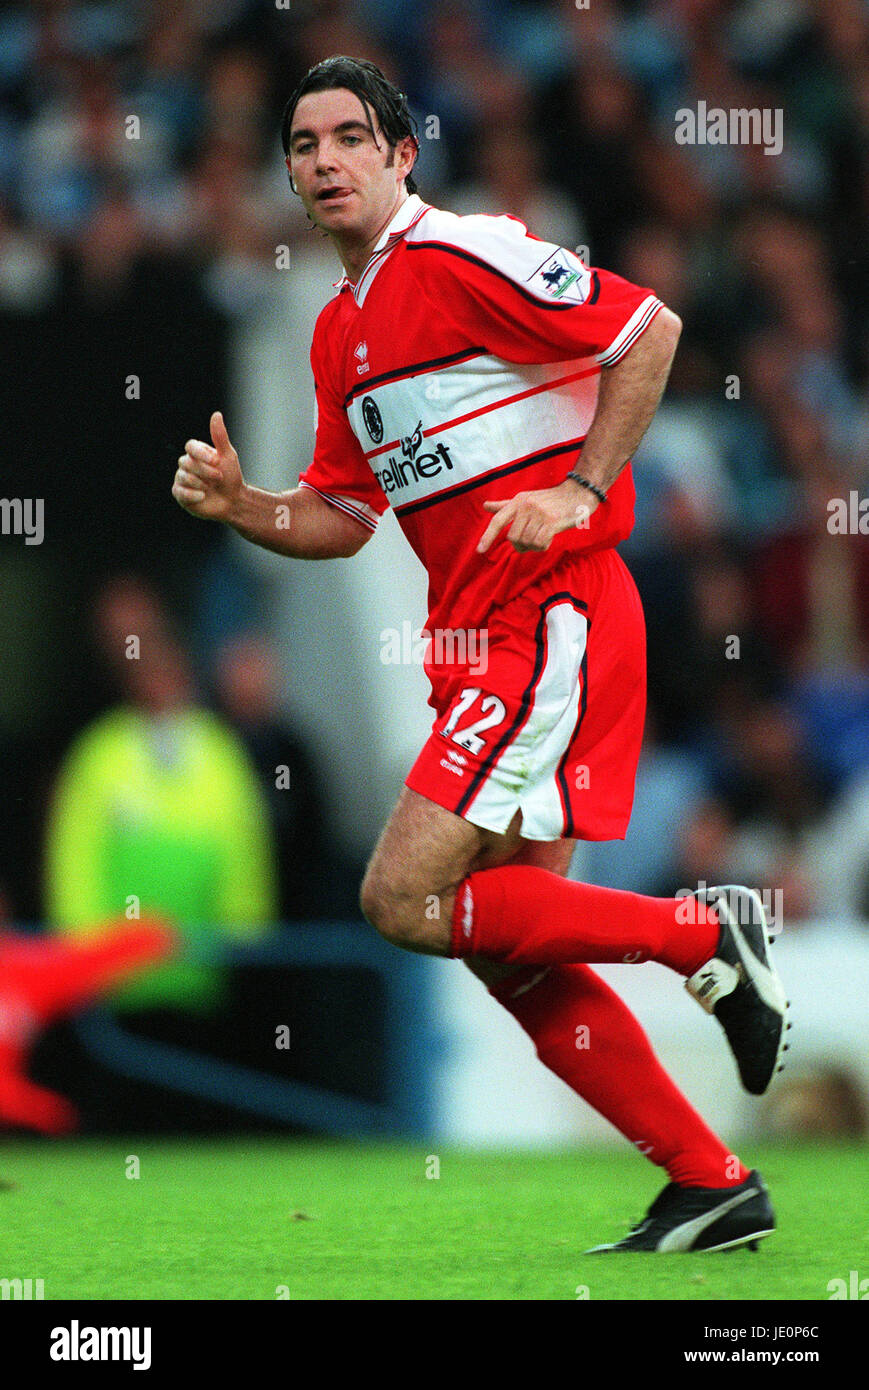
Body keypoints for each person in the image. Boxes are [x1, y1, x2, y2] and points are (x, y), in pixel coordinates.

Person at [172, 55, 789, 1253]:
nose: (324, 160)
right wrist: (244, 506)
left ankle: (706, 934)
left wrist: (579, 487)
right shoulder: (340, 330)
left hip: (549, 615)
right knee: (510, 940)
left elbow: (647, 329)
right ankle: (711, 1181)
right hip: (479, 645)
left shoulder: (461, 253)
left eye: (350, 136)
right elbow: (342, 522)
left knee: (398, 897)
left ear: (401, 154)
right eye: (302, 146)